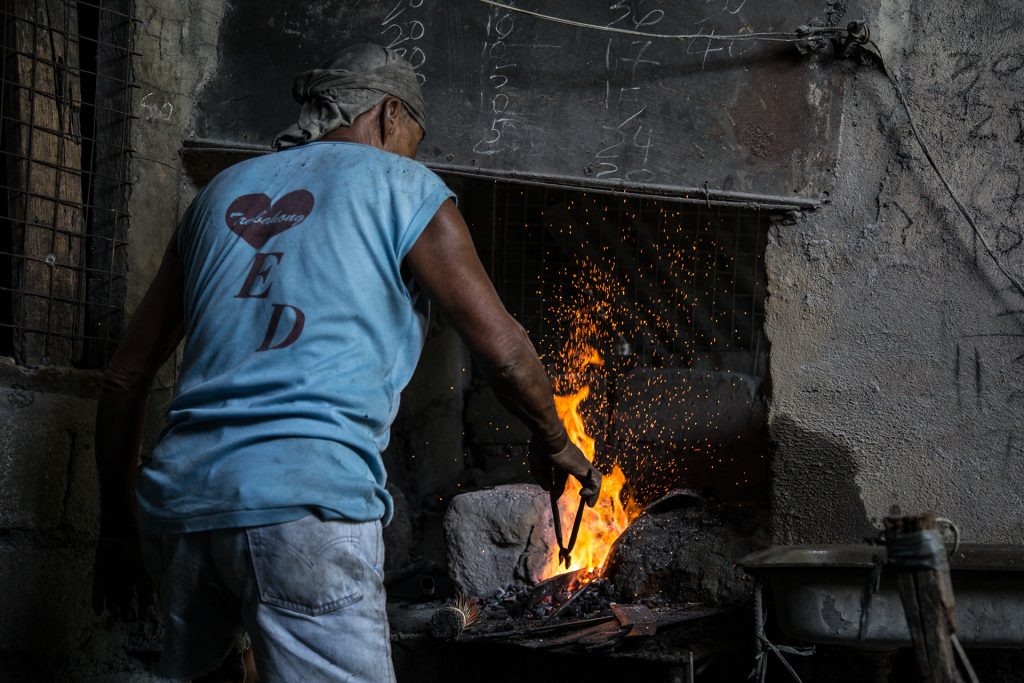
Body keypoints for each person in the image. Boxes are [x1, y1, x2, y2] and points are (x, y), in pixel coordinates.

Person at [91, 43, 602, 682]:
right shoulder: (404, 186)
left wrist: (115, 528)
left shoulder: (218, 194)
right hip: (306, 507)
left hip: (184, 506)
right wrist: (554, 440)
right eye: (414, 137)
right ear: (389, 115)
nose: (416, 155)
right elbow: (503, 353)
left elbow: (124, 378)